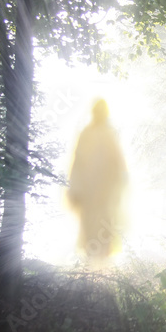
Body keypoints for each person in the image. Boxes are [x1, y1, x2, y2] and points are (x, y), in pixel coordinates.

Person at [67, 98, 128, 263]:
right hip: (89, 192)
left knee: (105, 227)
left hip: (106, 192)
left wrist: (120, 184)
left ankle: (104, 268)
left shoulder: (109, 133)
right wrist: (76, 188)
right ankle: (90, 265)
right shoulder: (86, 133)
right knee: (89, 227)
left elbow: (118, 161)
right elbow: (77, 162)